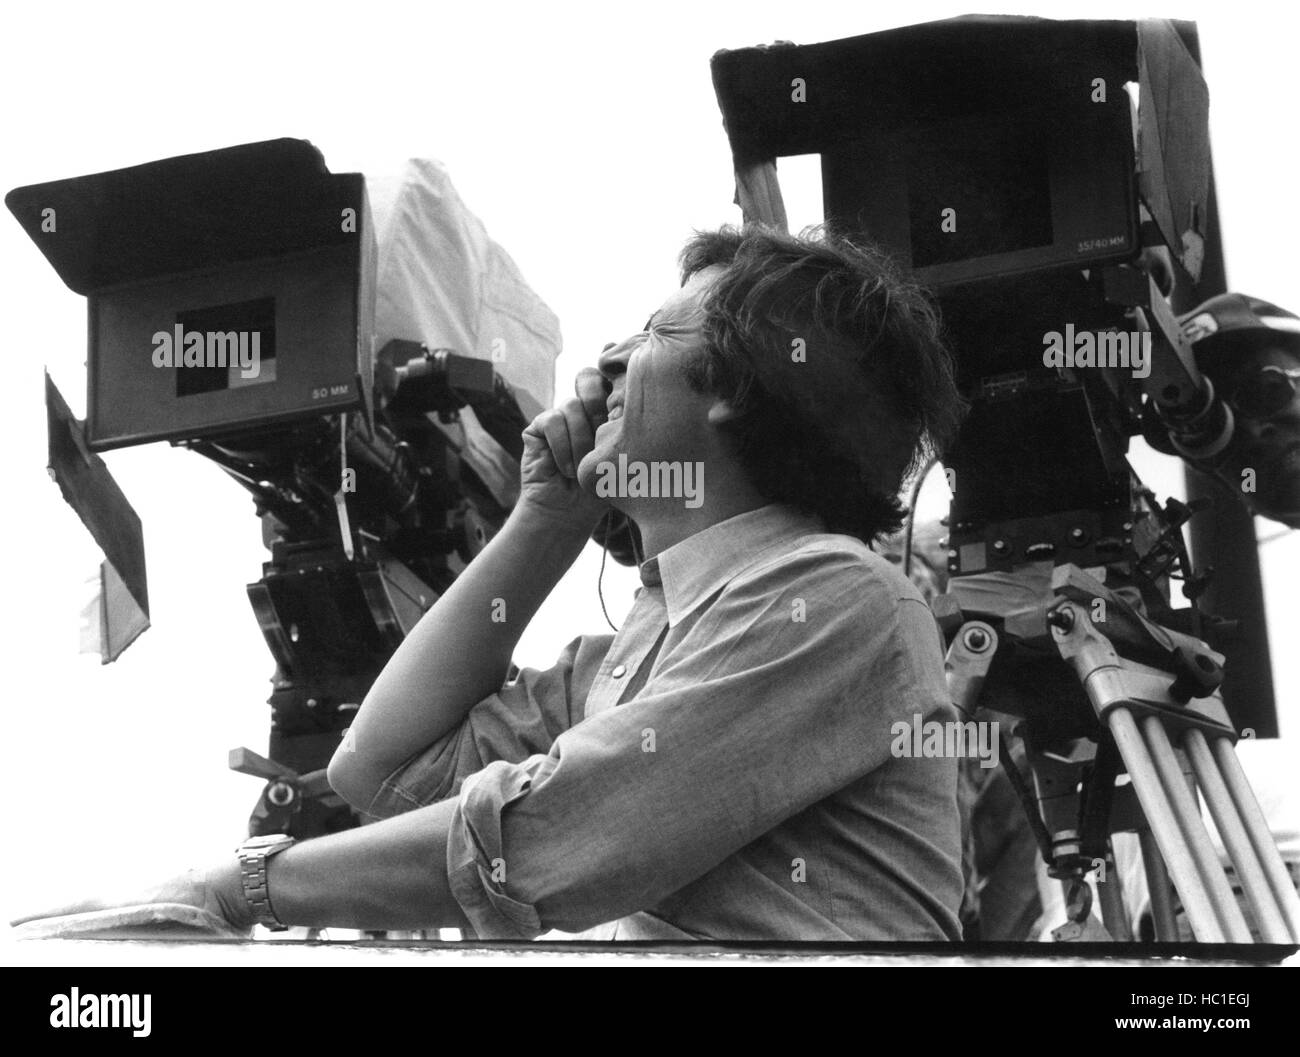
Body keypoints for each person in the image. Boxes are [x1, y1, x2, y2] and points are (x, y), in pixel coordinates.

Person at [15, 225, 968, 941]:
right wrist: (543, 520)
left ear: (729, 383)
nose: (612, 364)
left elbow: (554, 833)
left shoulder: (839, 600)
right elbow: (382, 775)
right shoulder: (640, 646)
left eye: (651, 332)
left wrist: (246, 885)